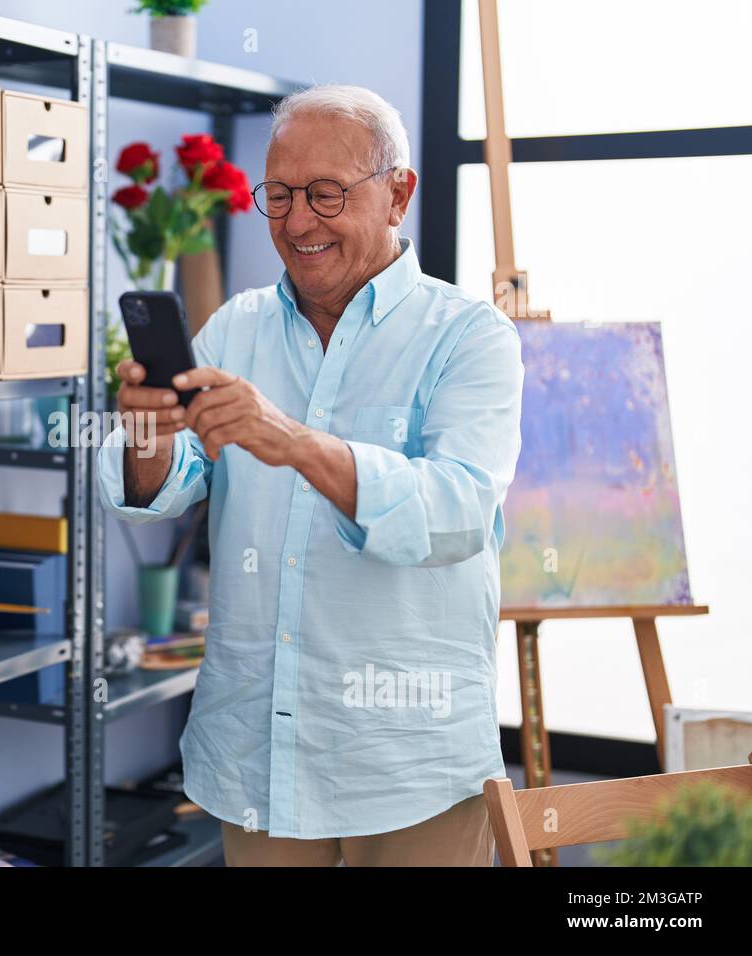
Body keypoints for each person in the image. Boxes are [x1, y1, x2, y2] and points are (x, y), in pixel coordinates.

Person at [97, 84, 524, 866]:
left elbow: (457, 511)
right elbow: (157, 491)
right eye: (280, 196)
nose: (297, 224)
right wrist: (146, 432)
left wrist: (293, 440)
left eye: (326, 194)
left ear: (399, 194)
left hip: (408, 760)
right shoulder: (235, 327)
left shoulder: (469, 337)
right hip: (258, 748)